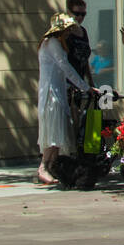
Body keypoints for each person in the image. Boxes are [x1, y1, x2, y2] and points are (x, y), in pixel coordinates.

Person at [37, 12, 98, 184]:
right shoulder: (54, 43)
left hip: (57, 91)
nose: (70, 32)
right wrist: (85, 86)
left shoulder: (51, 43)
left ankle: (52, 167)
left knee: (58, 129)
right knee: (54, 131)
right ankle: (44, 166)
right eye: (67, 29)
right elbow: (66, 68)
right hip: (52, 94)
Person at [64, 0, 94, 87]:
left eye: (83, 14)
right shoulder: (65, 32)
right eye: (77, 14)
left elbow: (84, 61)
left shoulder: (83, 31)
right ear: (69, 12)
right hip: (66, 82)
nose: (80, 17)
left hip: (80, 81)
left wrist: (90, 81)